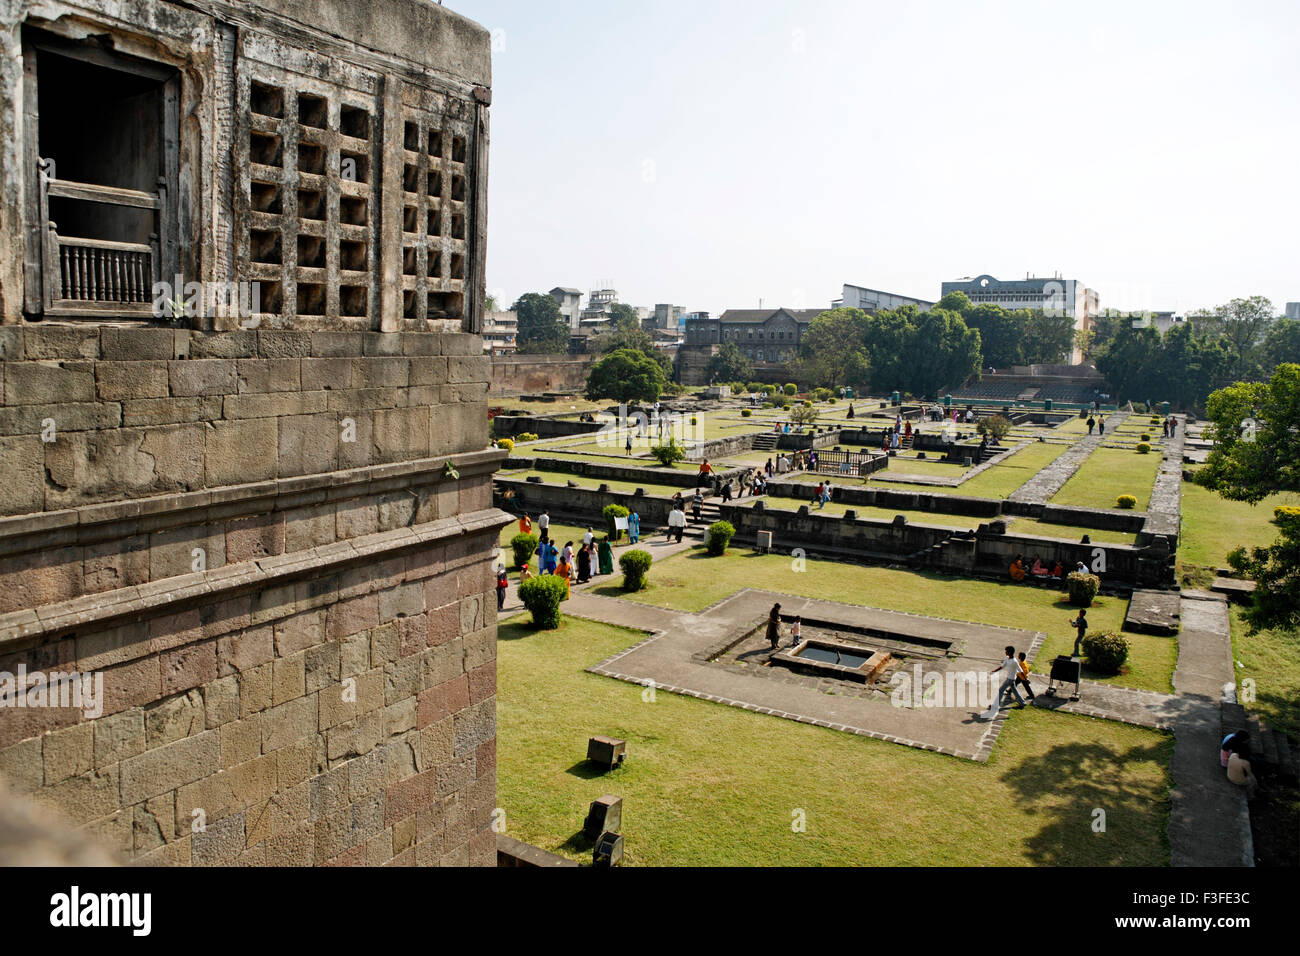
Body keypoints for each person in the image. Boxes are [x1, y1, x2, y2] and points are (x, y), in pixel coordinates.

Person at [985, 646, 1025, 716]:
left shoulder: (1014, 661)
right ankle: (1022, 702)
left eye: (1006, 651)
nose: (1005, 652)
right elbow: (1002, 666)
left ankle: (995, 706)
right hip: (1009, 678)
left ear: (1010, 652)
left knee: (1000, 690)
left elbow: (1020, 670)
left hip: (1011, 679)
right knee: (1014, 690)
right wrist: (994, 671)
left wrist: (1026, 679)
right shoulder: (1007, 658)